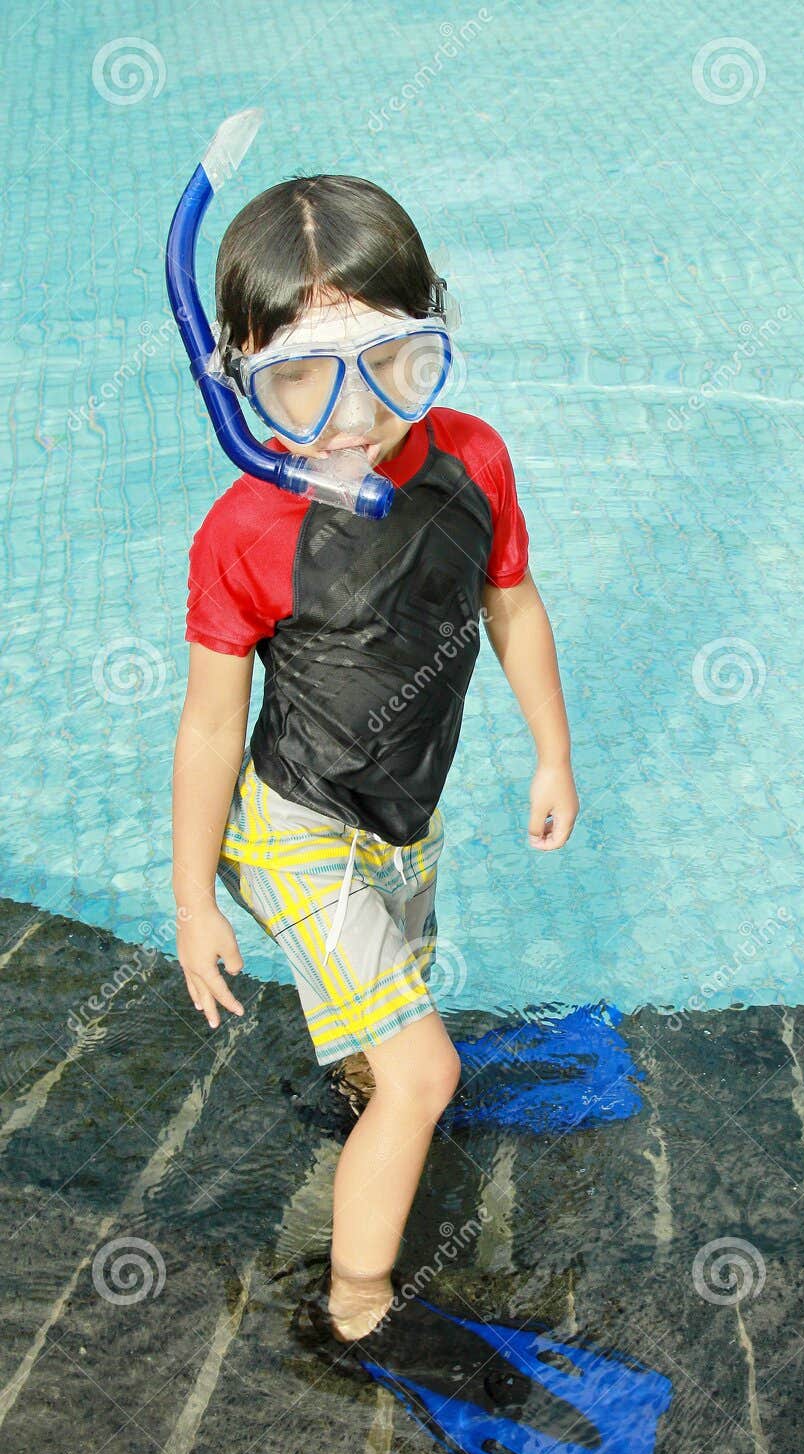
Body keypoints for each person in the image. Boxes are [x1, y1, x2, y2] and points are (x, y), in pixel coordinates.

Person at [170, 171, 578, 1352]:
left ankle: (362, 1095)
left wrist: (551, 750)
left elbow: (511, 603)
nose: (351, 417)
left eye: (389, 364)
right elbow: (208, 726)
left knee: (387, 1037)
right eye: (300, 378)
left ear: (431, 337)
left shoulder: (473, 460)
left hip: (402, 818)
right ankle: (353, 1312)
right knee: (424, 1075)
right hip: (295, 829)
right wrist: (195, 893)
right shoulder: (244, 532)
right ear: (239, 377)